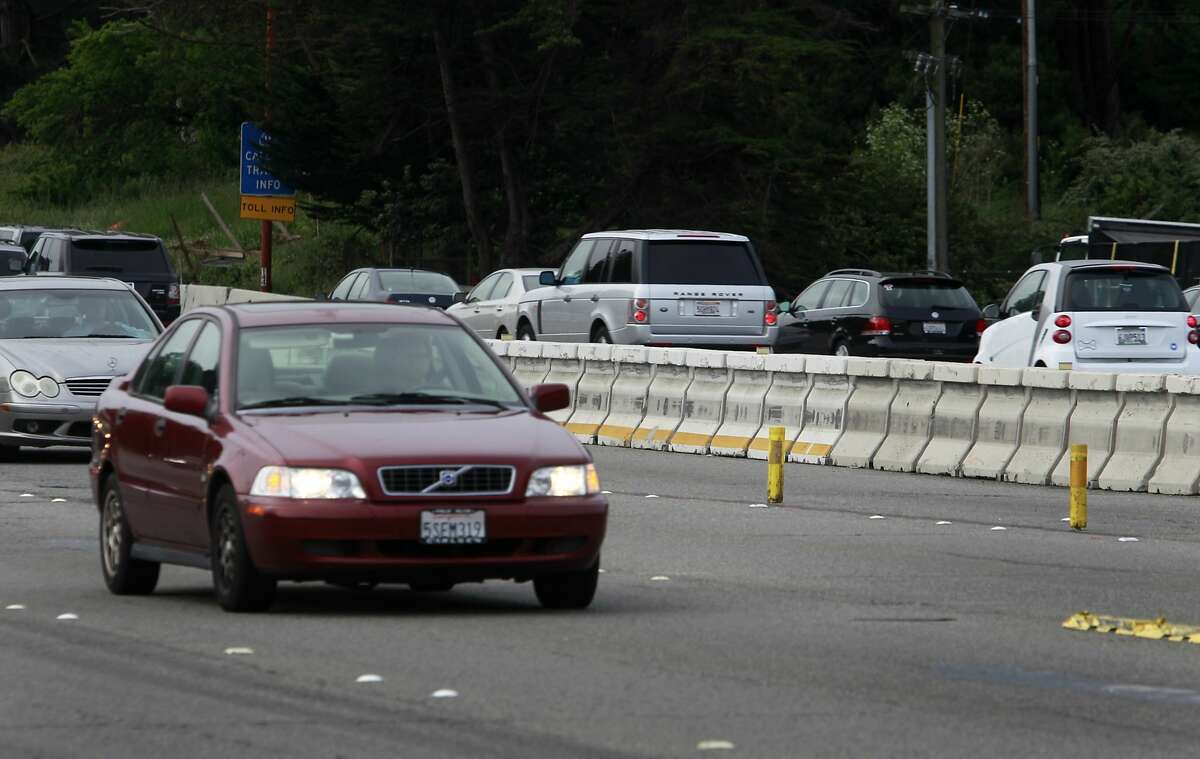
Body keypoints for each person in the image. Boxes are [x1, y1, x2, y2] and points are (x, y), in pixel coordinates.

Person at [373, 331, 437, 392]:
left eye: (423, 356)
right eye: (411, 356)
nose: (418, 361)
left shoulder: (437, 386)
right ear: (395, 359)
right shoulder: (385, 388)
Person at [63, 296, 152, 338]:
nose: (98, 309)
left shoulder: (120, 327)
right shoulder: (73, 334)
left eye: (101, 305)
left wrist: (123, 333)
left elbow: (149, 336)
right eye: (93, 305)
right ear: (84, 309)